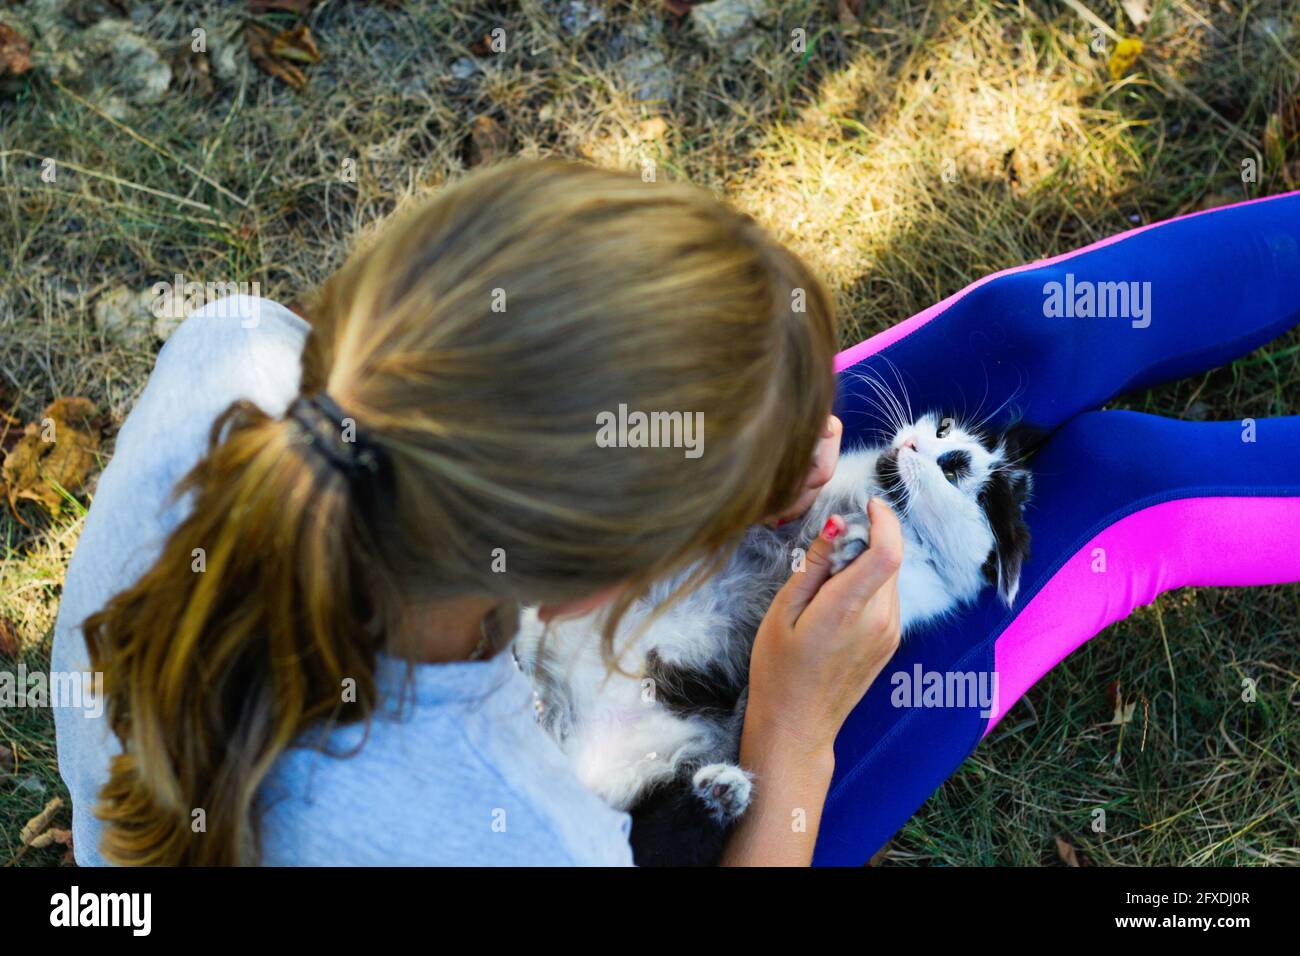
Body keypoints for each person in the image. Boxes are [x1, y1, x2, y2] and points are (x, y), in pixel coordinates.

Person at [52, 159, 904, 866]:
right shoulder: (536, 835)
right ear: (589, 595)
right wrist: (795, 733)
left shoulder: (228, 353)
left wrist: (721, 474)